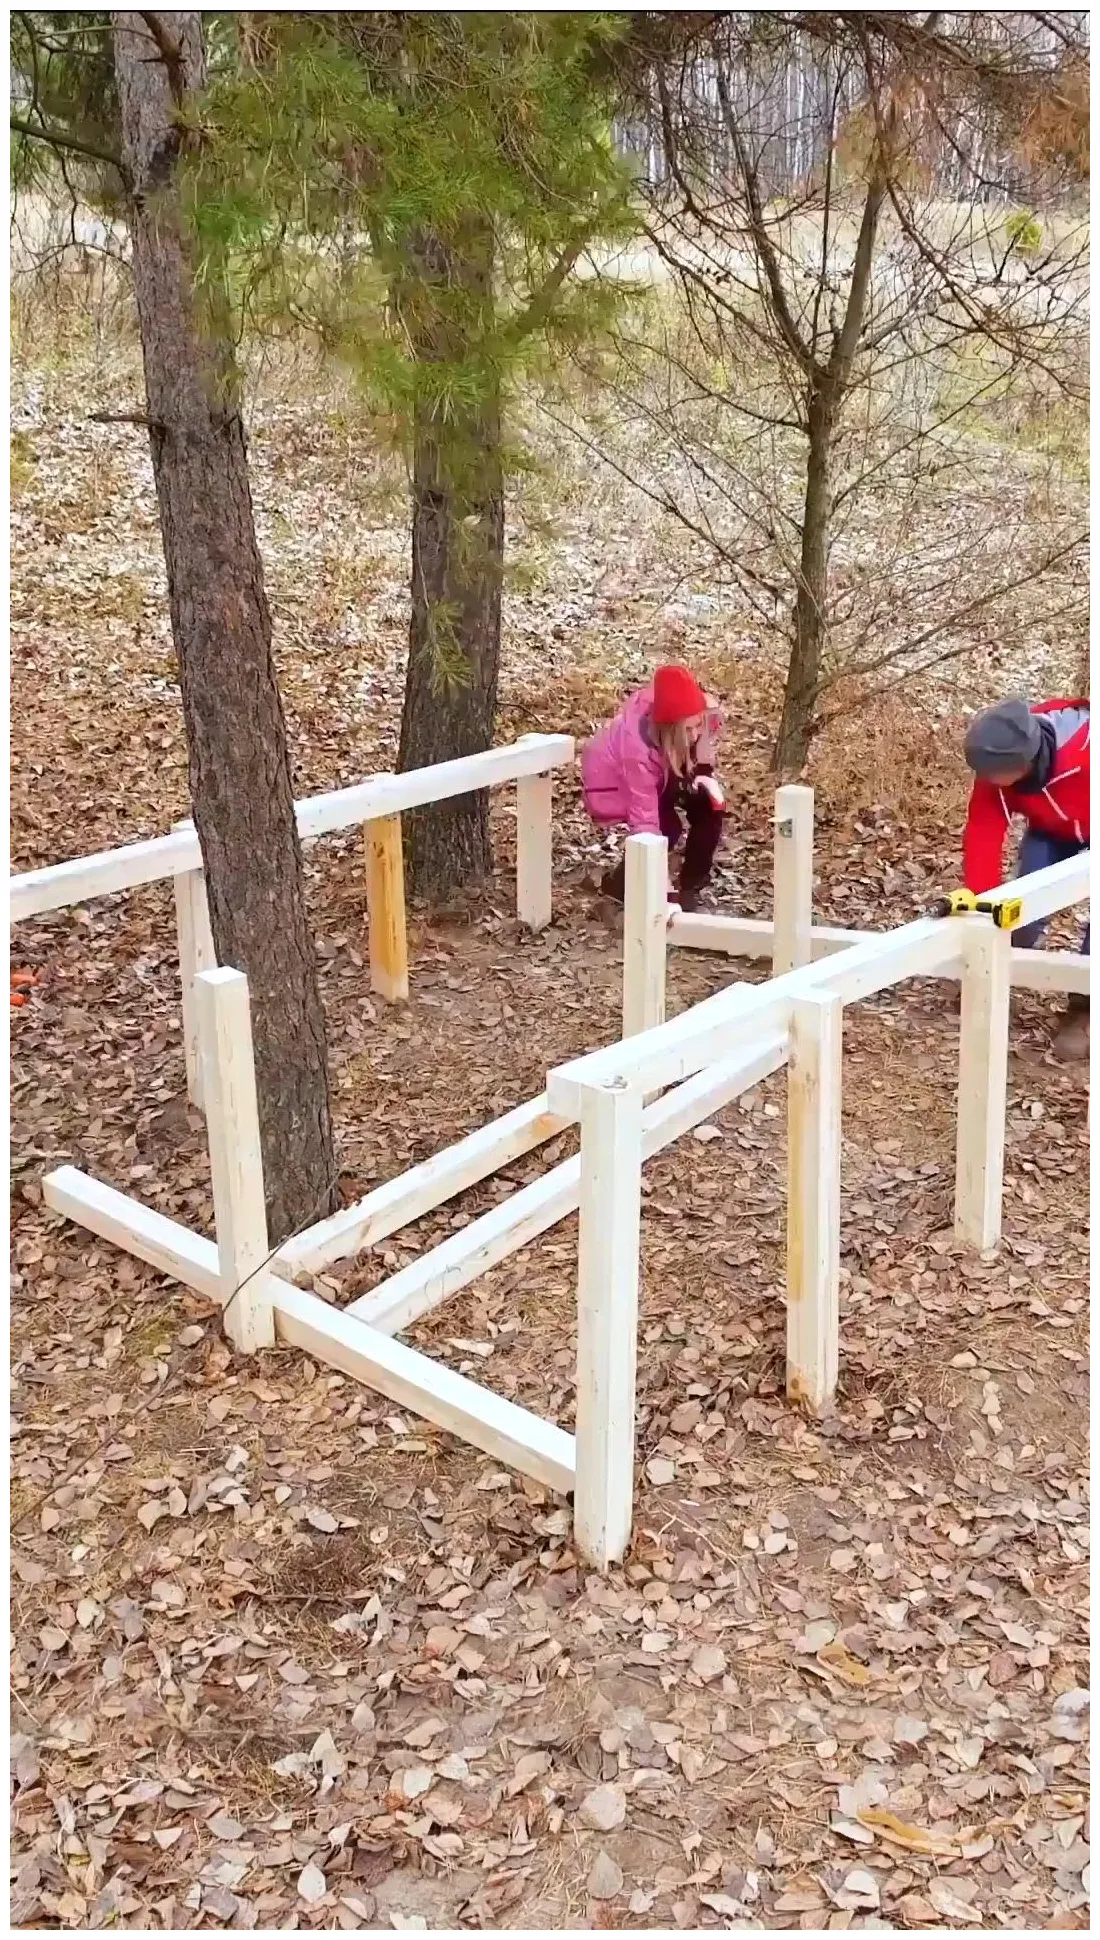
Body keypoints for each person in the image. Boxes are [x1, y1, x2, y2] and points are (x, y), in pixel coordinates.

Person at [961, 696, 1090, 1061]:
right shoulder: (995, 767)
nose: (985, 782)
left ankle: (1085, 1008)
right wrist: (983, 908)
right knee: (1023, 907)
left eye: (991, 775)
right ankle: (994, 973)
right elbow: (983, 833)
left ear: (1025, 759)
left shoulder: (1085, 751)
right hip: (1051, 832)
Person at [581, 664, 726, 912]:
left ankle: (691, 887)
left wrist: (703, 773)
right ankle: (624, 884)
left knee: (709, 808)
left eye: (697, 725)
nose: (694, 734)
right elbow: (645, 821)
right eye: (687, 729)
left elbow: (704, 742)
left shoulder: (705, 712)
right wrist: (660, 881)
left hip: (671, 764)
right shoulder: (637, 747)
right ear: (669, 729)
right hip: (621, 780)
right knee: (667, 827)